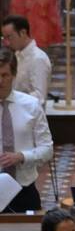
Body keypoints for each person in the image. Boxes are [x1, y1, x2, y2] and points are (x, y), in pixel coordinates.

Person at [0, 47, 53, 211]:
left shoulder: (31, 105)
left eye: (4, 75)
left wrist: (22, 156)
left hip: (25, 190)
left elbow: (47, 150)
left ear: (14, 75)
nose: (0, 81)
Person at [2, 16, 52, 105]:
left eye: (9, 37)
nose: (7, 42)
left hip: (28, 116)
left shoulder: (38, 59)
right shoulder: (16, 56)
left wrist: (11, 97)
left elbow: (39, 97)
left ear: (23, 33)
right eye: (4, 38)